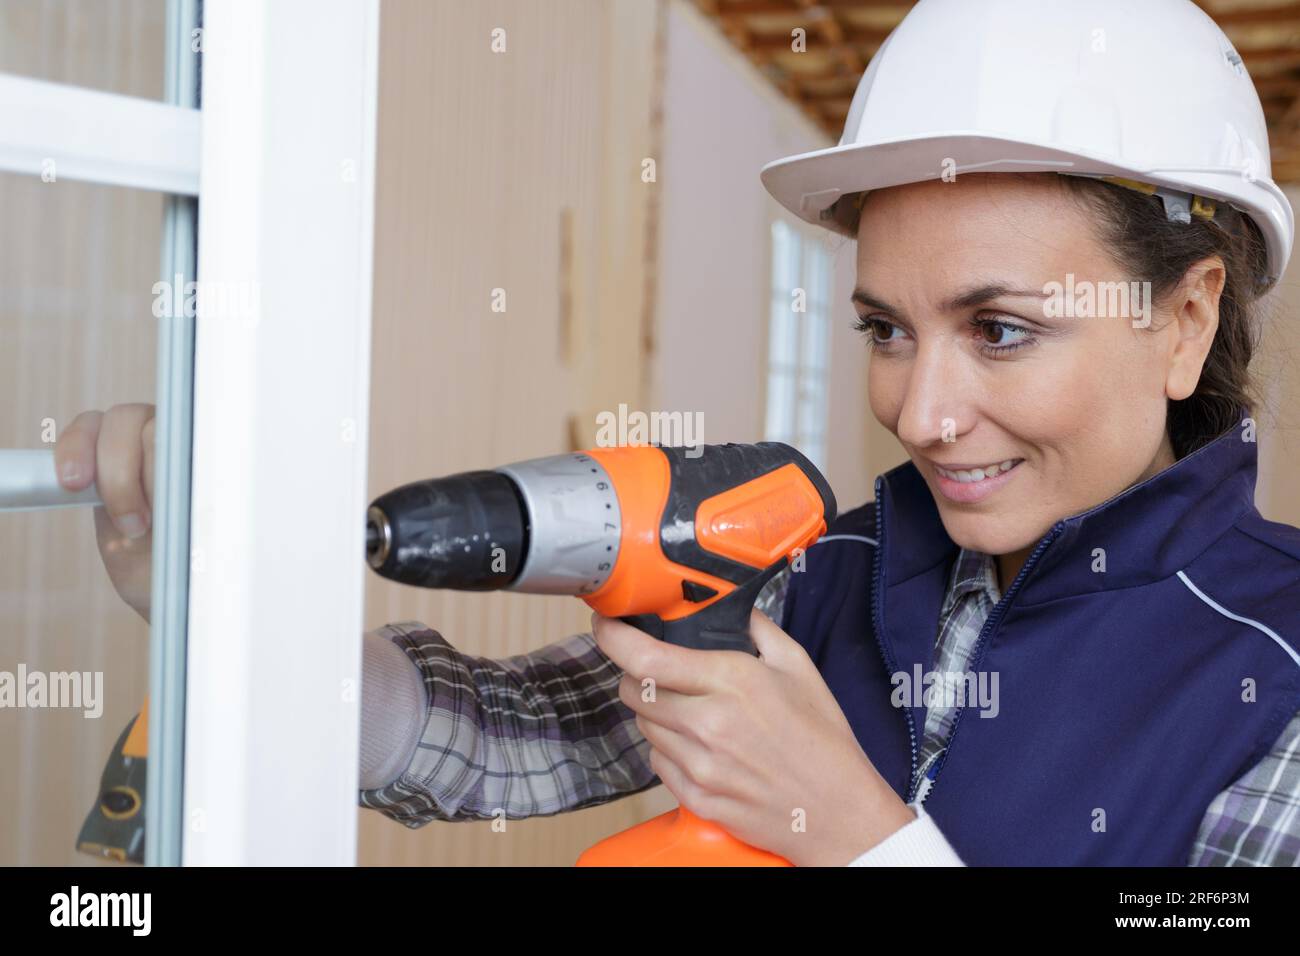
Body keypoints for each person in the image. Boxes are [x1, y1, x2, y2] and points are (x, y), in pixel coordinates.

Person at [62, 0, 1300, 865]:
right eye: (885, 327)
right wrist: (235, 616)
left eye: (1002, 330)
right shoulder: (825, 567)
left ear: (1185, 318)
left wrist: (855, 833)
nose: (920, 414)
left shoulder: (1274, 678)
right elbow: (503, 743)